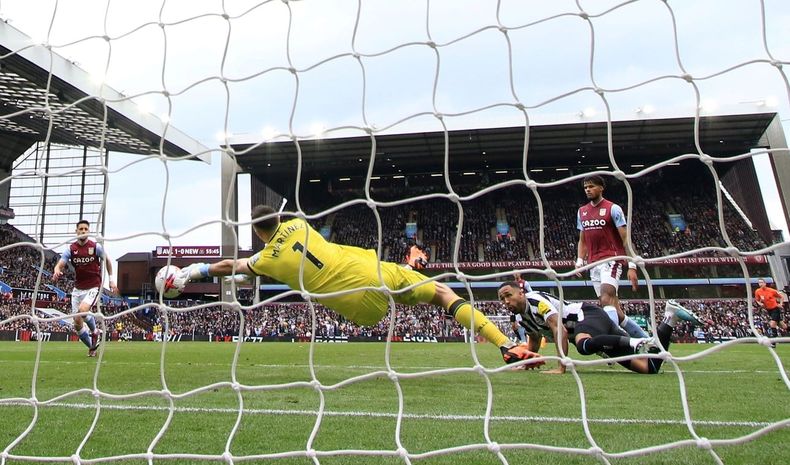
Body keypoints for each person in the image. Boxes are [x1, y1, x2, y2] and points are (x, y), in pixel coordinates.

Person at [180, 204, 541, 367]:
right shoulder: (302, 225)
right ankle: (506, 345)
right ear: (280, 218)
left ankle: (408, 269)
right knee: (443, 294)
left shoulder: (267, 259)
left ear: (256, 232)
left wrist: (193, 272)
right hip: (374, 271)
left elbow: (235, 266)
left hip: (355, 306)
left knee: (384, 297)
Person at [497, 281, 703, 375]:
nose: (506, 300)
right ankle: (670, 317)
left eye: (508, 295)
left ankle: (635, 340)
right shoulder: (520, 316)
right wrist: (526, 361)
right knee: (650, 368)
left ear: (521, 293)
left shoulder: (536, 301)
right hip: (595, 331)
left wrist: (561, 367)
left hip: (587, 315)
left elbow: (559, 329)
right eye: (502, 298)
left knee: (583, 346)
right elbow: (533, 339)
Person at [575, 175, 647, 338]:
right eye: (586, 187)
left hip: (611, 260)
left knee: (606, 298)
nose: (588, 189)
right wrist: (579, 260)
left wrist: (632, 266)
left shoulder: (613, 209)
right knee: (615, 311)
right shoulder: (582, 212)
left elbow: (625, 238)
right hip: (593, 264)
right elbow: (582, 240)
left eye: (591, 186)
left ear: (601, 188)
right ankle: (646, 341)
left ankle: (613, 341)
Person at [52, 219, 118, 357]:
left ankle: (95, 331)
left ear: (88, 231)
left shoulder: (95, 247)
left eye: (85, 229)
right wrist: (57, 270)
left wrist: (111, 280)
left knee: (83, 311)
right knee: (77, 323)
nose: (83, 231)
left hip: (93, 286)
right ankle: (92, 346)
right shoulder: (71, 249)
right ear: (76, 231)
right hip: (78, 289)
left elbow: (107, 261)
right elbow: (60, 263)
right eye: (80, 229)